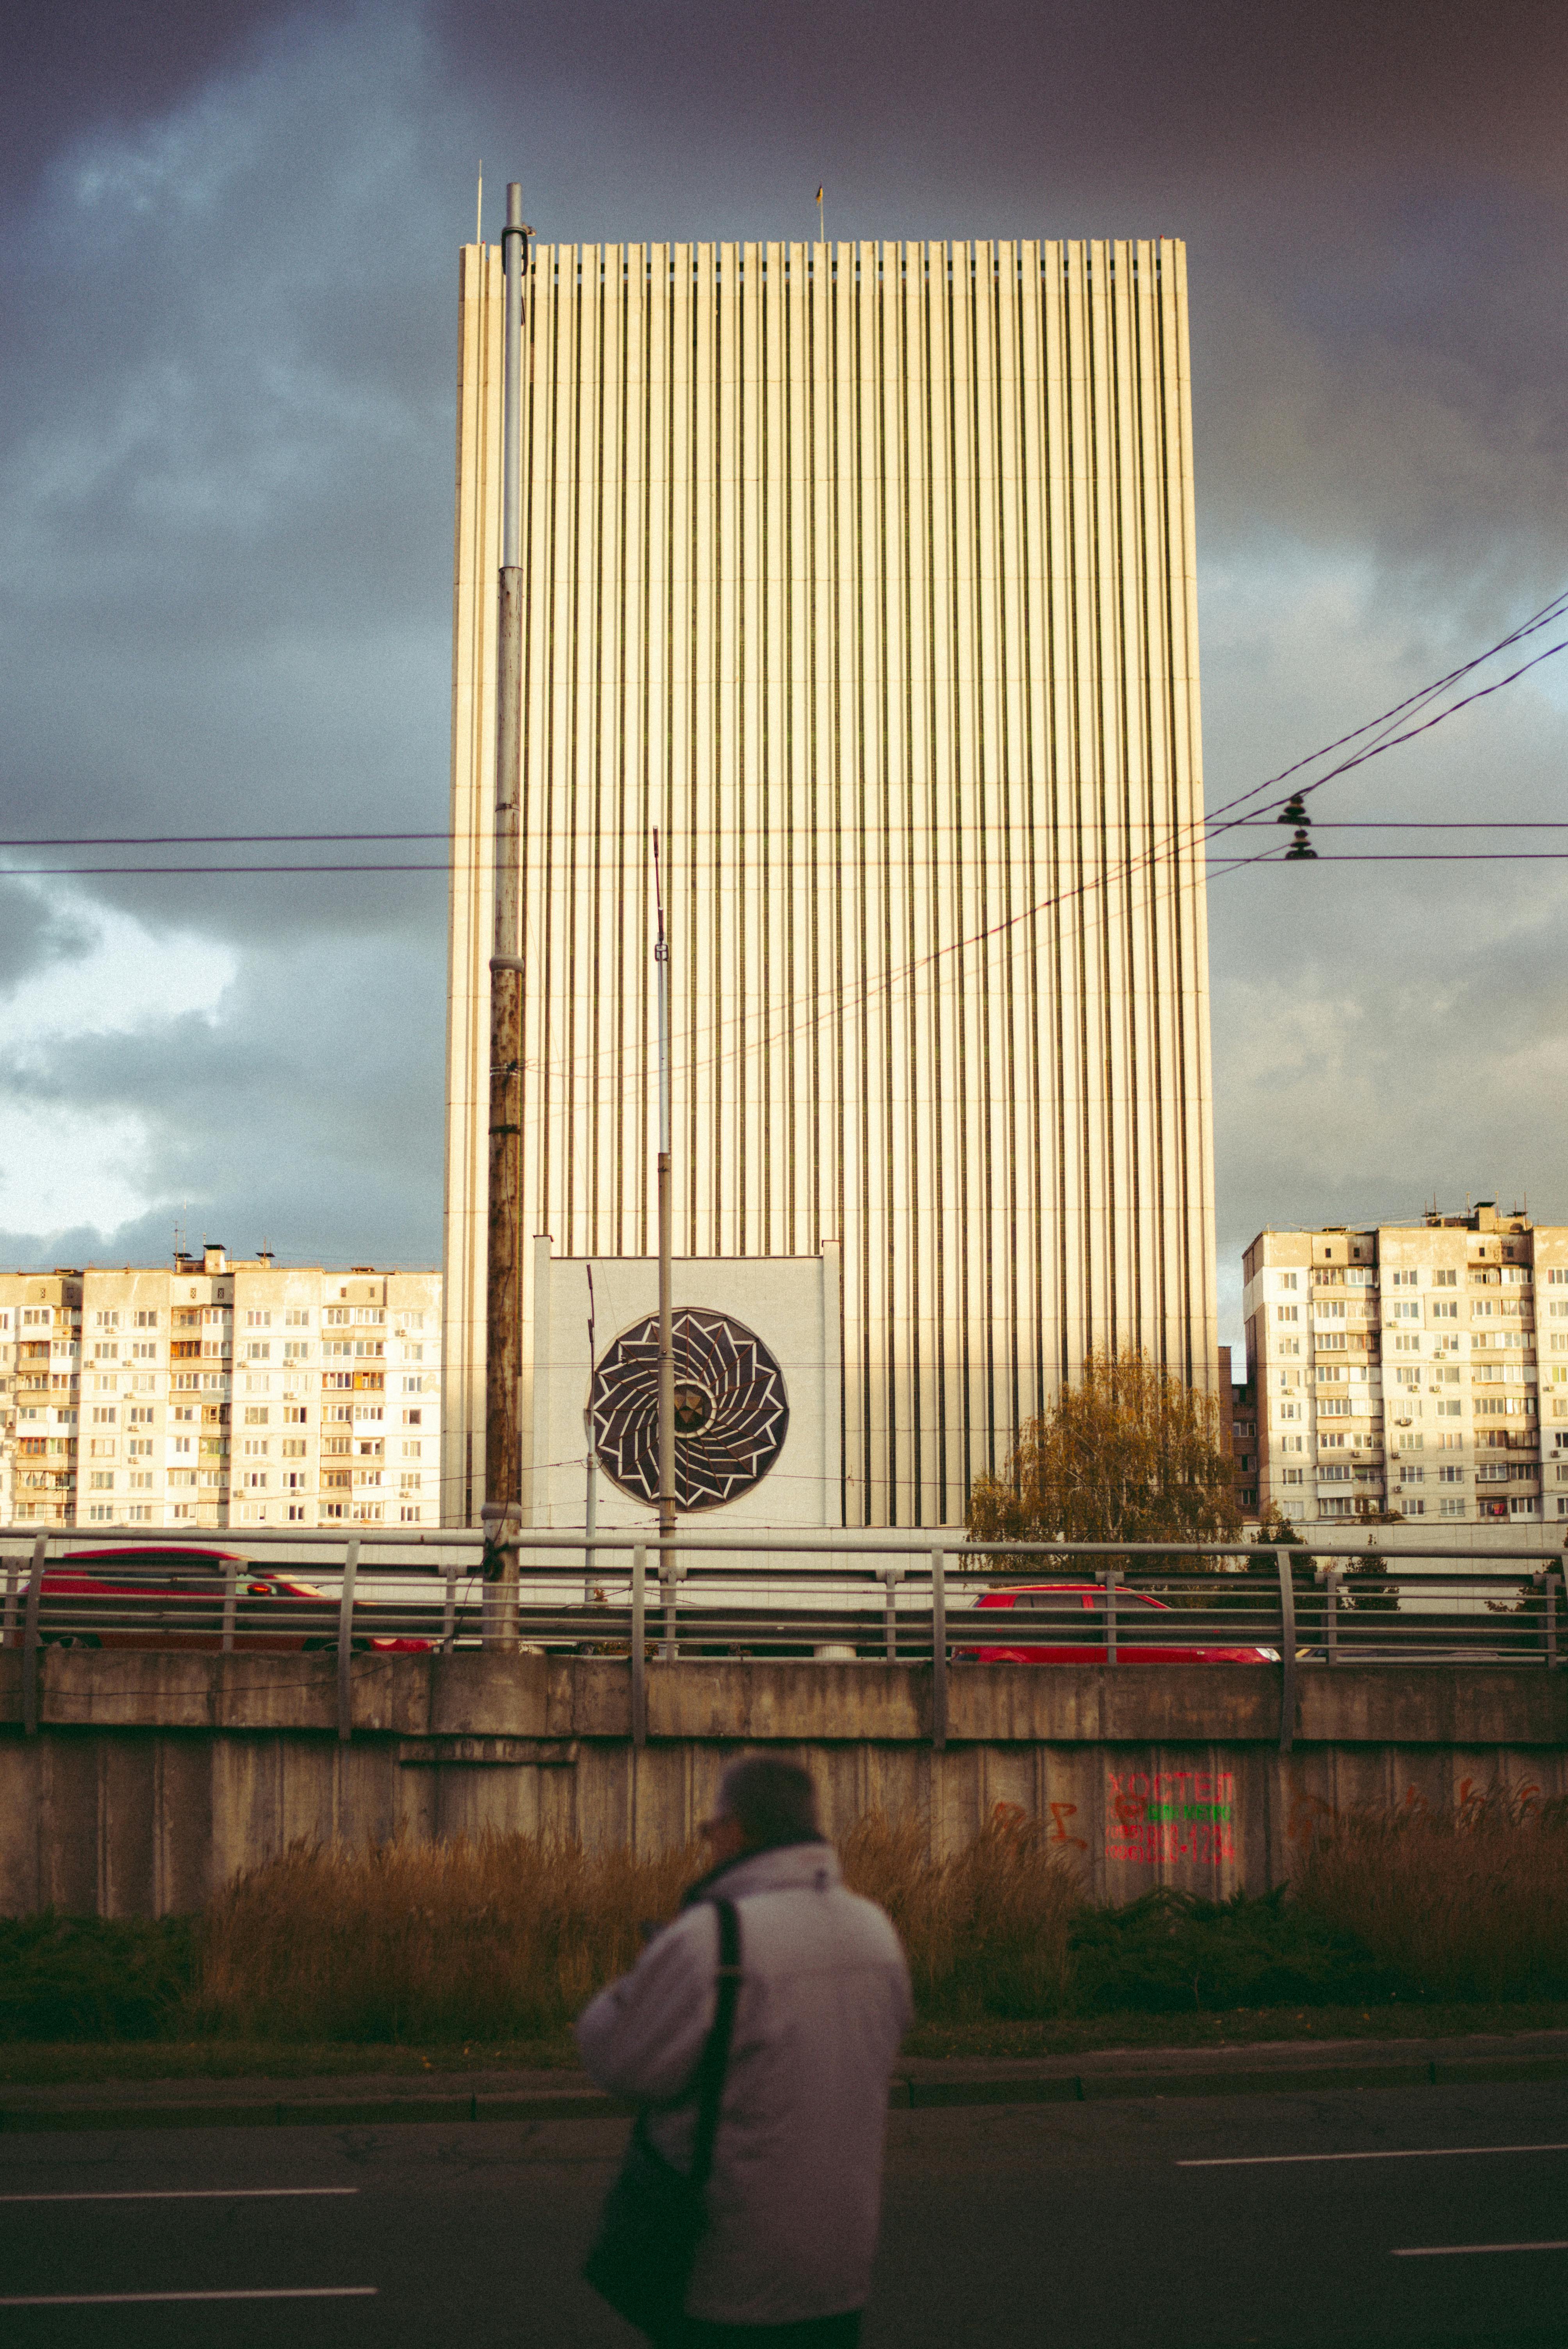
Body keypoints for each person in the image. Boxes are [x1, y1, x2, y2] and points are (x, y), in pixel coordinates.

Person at [576, 1756, 913, 2349]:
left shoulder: (712, 1938)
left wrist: (646, 1974)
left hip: (731, 2274)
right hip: (839, 2271)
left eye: (710, 1831)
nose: (710, 1845)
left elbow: (621, 2060)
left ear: (733, 1828)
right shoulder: (876, 1930)